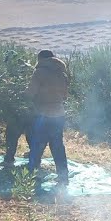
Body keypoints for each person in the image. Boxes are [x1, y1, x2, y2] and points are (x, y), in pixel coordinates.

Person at [26, 49, 71, 182]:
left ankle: (31, 175)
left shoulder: (39, 73)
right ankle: (63, 177)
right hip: (59, 114)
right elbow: (65, 96)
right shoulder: (62, 74)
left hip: (43, 115)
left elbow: (30, 93)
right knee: (57, 146)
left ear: (40, 59)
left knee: (37, 145)